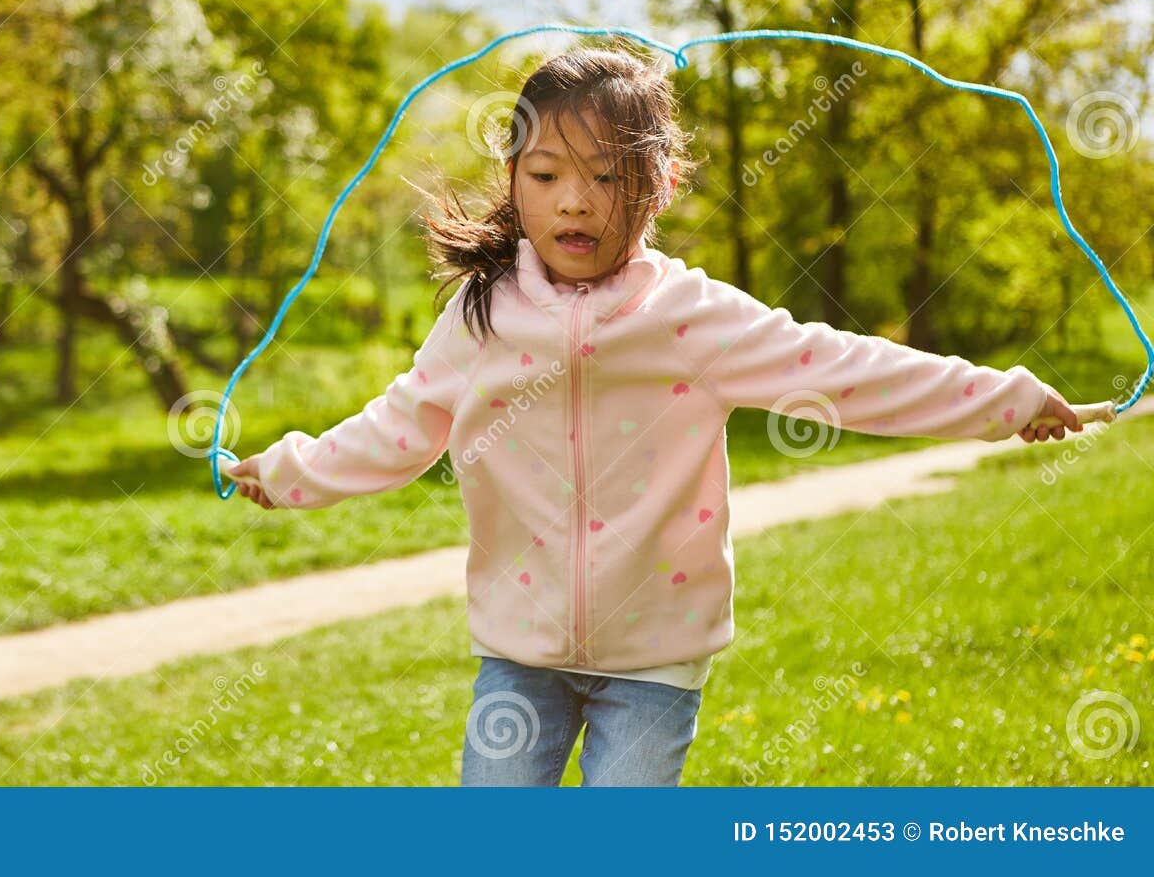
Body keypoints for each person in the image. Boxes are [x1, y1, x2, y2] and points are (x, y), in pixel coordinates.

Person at [223, 45, 1083, 787]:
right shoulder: (482, 317)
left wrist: (1008, 400)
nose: (574, 202)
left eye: (606, 176)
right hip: (520, 653)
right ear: (513, 178)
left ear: (661, 184)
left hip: (655, 660)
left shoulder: (691, 318)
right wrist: (287, 471)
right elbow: (400, 424)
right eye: (546, 175)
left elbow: (844, 369)